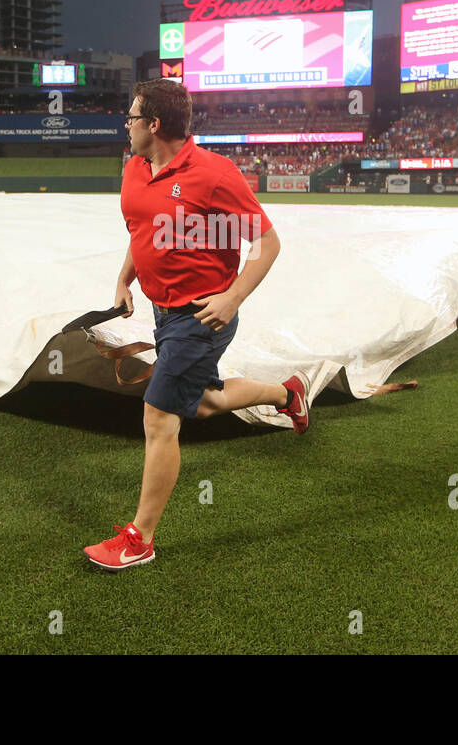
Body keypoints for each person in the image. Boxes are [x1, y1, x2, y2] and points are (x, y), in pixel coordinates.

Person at [83, 79, 310, 572]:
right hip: (163, 316)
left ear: (154, 124)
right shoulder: (134, 169)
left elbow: (267, 243)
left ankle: (139, 538)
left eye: (131, 117)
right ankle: (287, 394)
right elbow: (140, 231)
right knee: (205, 403)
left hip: (201, 317)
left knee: (159, 418)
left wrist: (232, 298)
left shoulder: (215, 174)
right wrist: (124, 280)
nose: (126, 125)